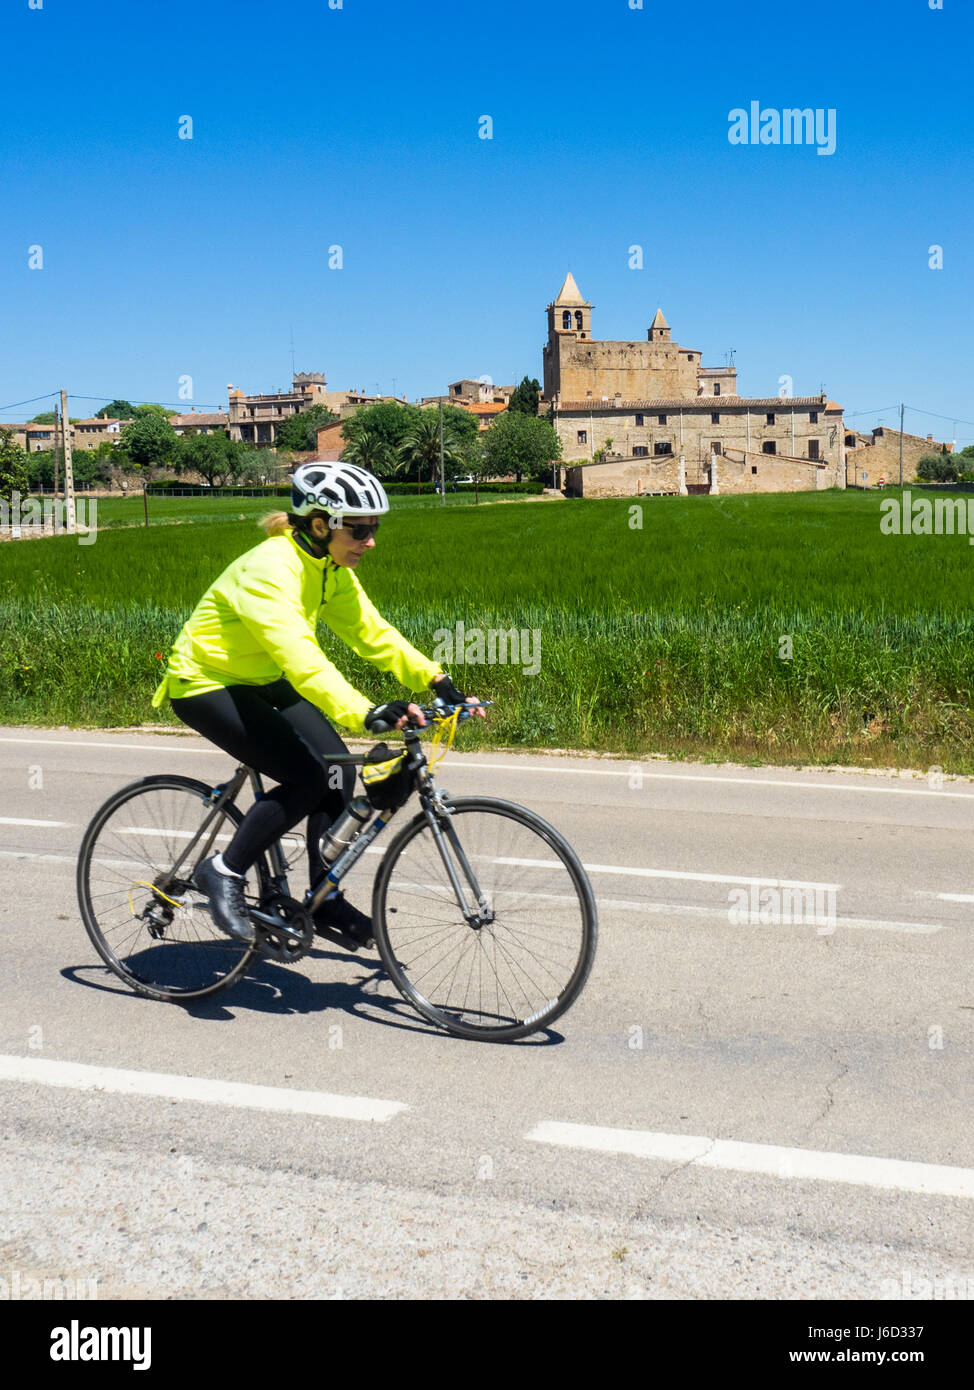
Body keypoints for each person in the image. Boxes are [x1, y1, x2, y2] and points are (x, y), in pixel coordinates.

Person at [150, 461, 485, 951]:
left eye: (375, 528)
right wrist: (364, 711)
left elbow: (371, 633)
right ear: (320, 524)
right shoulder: (270, 570)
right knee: (307, 776)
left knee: (337, 773)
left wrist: (435, 677)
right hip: (205, 682)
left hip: (263, 678)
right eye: (361, 529)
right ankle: (221, 870)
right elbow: (303, 659)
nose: (371, 541)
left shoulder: (329, 569)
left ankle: (321, 898)